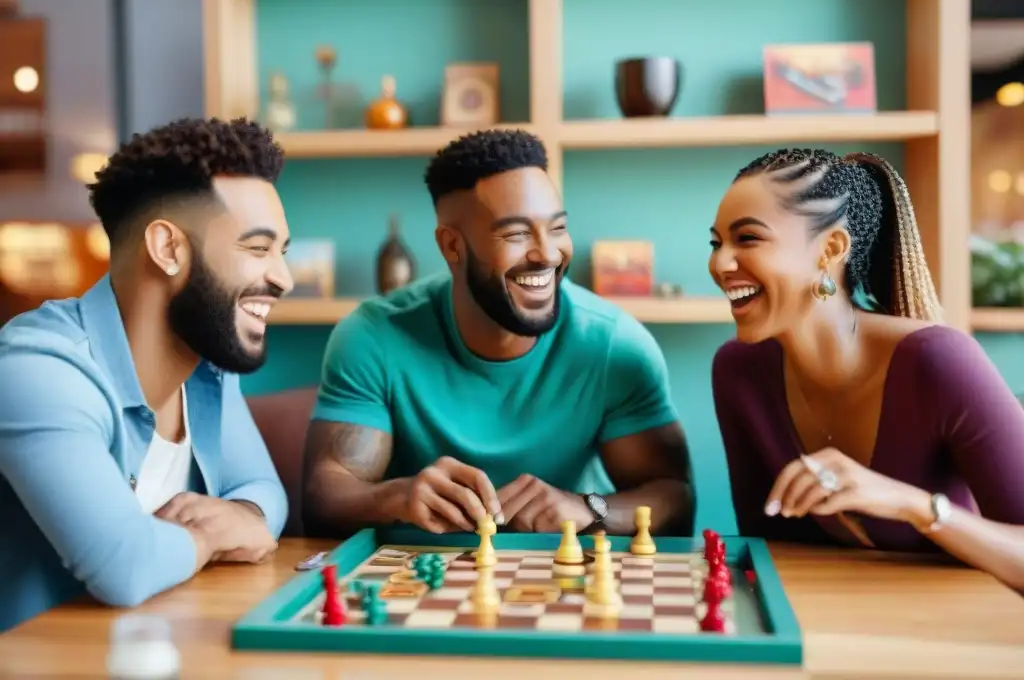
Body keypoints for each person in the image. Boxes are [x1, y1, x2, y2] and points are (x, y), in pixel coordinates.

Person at [301, 129, 694, 539]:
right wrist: (397, 497)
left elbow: (676, 498)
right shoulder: (373, 336)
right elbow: (322, 501)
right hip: (419, 571)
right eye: (516, 234)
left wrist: (588, 508)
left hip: (565, 569)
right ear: (452, 247)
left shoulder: (614, 345)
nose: (547, 254)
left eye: (557, 228)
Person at [0, 117, 293, 632]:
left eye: (281, 252)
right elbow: (125, 565)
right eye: (257, 248)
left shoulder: (207, 366)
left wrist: (244, 514)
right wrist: (214, 534)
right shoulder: (37, 371)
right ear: (168, 249)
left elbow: (261, 489)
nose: (283, 278)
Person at [708, 147, 1024, 588]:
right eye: (716, 243)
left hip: (958, 622)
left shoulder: (940, 361)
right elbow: (773, 550)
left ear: (830, 249)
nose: (720, 263)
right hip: (829, 620)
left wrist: (912, 504)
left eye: (747, 239)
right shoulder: (738, 371)